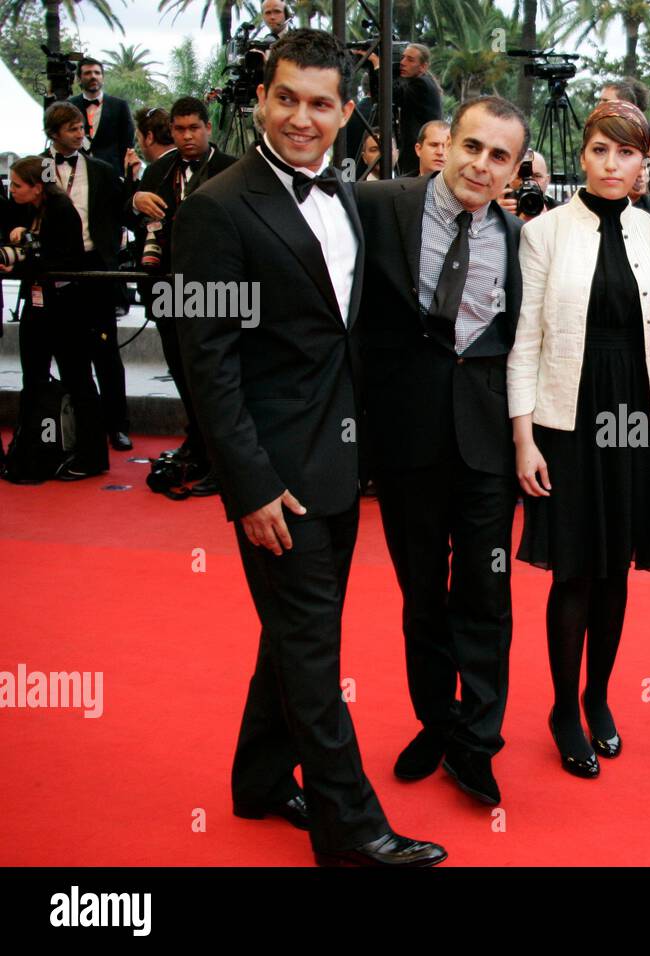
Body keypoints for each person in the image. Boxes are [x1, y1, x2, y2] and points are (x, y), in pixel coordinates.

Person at [172, 28, 446, 867]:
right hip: (277, 477)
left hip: (340, 463)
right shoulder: (216, 207)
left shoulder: (352, 199)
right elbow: (203, 360)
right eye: (286, 97)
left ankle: (259, 779)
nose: (301, 117)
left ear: (347, 109)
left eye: (320, 102)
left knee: (292, 632)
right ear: (261, 97)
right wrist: (247, 484)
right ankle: (351, 825)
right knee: (311, 647)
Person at [356, 96, 527, 807]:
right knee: (423, 592)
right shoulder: (375, 208)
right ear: (444, 144)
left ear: (514, 170)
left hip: (487, 441)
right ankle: (435, 720)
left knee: (485, 593)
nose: (481, 166)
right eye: (473, 147)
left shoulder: (520, 237)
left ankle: (477, 741)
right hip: (407, 437)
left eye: (499, 157)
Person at [508, 100, 650, 779]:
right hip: (566, 419)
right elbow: (523, 342)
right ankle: (562, 710)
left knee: (616, 572)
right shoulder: (543, 233)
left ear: (644, 163)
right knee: (575, 569)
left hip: (635, 417)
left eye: (627, 153)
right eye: (602, 150)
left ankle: (599, 698)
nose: (613, 164)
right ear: (583, 155)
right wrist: (523, 438)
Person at [129, 97, 238, 494]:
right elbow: (131, 220)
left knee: (214, 374)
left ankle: (221, 456)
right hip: (167, 286)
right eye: (179, 129)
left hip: (217, 290)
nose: (187, 136)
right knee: (180, 369)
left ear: (208, 127)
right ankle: (198, 442)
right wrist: (135, 199)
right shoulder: (159, 169)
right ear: (170, 132)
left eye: (194, 128)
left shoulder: (231, 168)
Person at [0, 156, 109, 480]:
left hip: (66, 308)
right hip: (37, 305)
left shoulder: (61, 210)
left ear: (36, 188)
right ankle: (28, 450)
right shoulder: (26, 208)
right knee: (32, 380)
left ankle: (92, 456)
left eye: (18, 185)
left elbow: (62, 259)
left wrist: (22, 259)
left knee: (78, 379)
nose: (12, 190)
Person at [41, 102, 129, 452]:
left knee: (106, 353)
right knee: (69, 355)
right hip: (55, 270)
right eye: (73, 129)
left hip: (96, 268)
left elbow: (122, 210)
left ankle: (117, 426)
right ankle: (81, 426)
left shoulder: (102, 170)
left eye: (82, 128)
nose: (81, 134)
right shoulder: (42, 168)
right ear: (54, 133)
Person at [366, 43, 443, 175]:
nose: (402, 63)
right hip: (414, 153)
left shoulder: (421, 85)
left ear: (423, 67)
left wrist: (377, 64)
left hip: (417, 155)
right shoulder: (418, 82)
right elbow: (379, 97)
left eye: (410, 60)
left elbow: (390, 94)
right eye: (402, 57)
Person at [69, 57, 134, 179]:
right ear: (79, 78)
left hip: (112, 174)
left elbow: (128, 142)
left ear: (102, 77)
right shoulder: (70, 105)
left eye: (97, 73)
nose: (93, 76)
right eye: (87, 73)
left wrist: (123, 174)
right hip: (78, 173)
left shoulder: (119, 105)